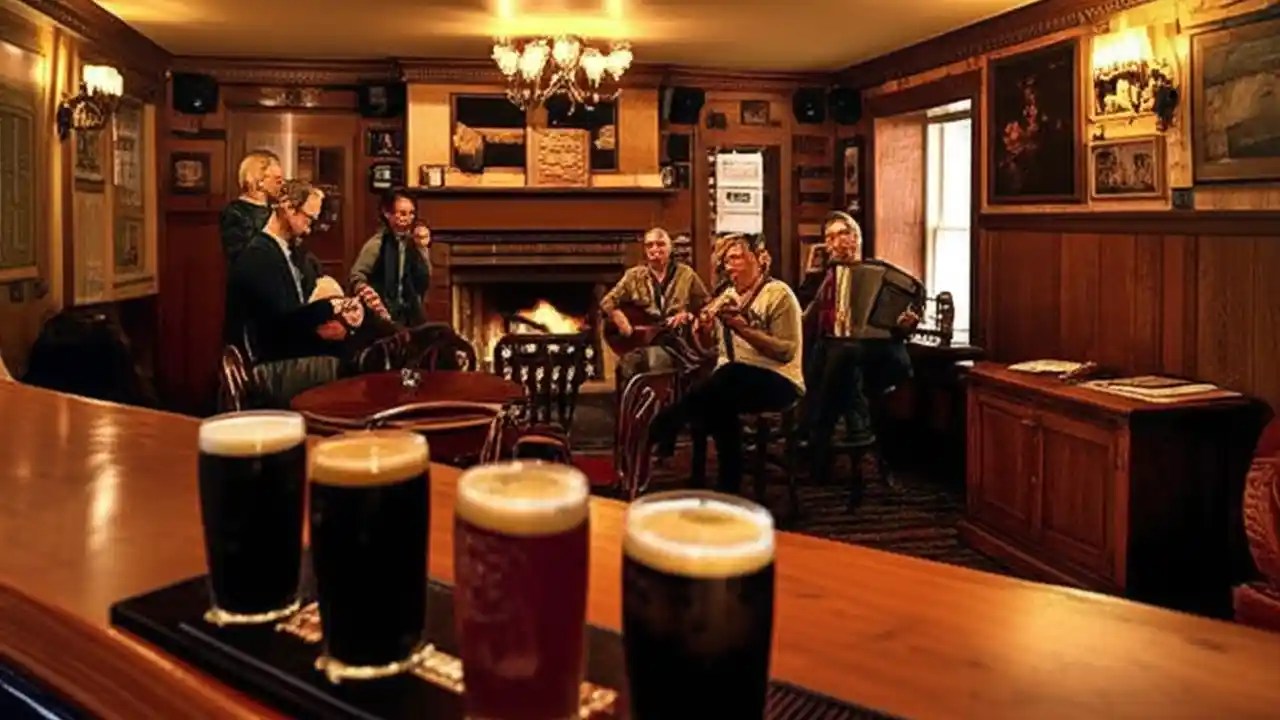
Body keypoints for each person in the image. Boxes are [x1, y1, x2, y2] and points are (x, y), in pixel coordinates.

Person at [649, 234, 803, 494]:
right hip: (731, 383)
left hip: (779, 380)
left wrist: (743, 329)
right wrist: (703, 329)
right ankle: (728, 485)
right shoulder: (728, 296)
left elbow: (786, 352)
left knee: (727, 377)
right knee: (719, 397)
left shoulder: (778, 294)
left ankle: (666, 423)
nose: (729, 267)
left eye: (736, 258)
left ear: (759, 259)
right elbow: (710, 350)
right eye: (725, 261)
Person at [801, 211, 919, 498]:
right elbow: (809, 318)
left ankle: (817, 436)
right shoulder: (827, 275)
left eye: (836, 236)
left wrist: (906, 323)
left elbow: (903, 320)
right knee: (838, 354)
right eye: (827, 239)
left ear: (853, 238)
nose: (830, 244)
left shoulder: (884, 275)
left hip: (882, 351)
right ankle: (856, 429)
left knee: (841, 354)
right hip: (839, 355)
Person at [225, 179, 346, 362]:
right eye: (309, 219)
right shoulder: (259, 256)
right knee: (347, 359)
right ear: (289, 208)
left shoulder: (285, 251)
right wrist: (331, 306)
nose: (309, 230)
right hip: (270, 364)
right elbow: (282, 328)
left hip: (284, 351)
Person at [599, 227, 710, 381]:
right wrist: (620, 319)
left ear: (670, 248)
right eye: (649, 245)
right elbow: (607, 301)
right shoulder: (634, 276)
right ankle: (688, 363)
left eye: (660, 244)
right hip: (644, 338)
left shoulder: (686, 274)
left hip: (677, 332)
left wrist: (689, 315)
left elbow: (706, 305)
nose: (655, 249)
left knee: (664, 346)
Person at [349, 188, 432, 327]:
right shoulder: (377, 244)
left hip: (409, 314)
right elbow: (357, 276)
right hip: (381, 315)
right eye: (402, 213)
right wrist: (371, 299)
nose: (408, 218)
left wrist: (422, 249)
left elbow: (424, 278)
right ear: (387, 213)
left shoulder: (412, 243)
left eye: (411, 213)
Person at [219, 150, 284, 265]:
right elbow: (241, 254)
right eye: (277, 180)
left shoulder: (275, 210)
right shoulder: (235, 212)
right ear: (260, 181)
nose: (282, 184)